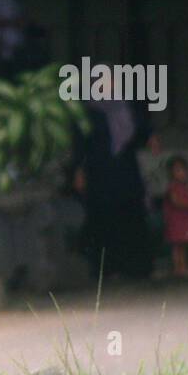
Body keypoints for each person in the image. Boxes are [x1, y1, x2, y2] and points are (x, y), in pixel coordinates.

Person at [72, 73, 158, 281]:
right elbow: (80, 144)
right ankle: (106, 269)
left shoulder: (126, 106)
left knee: (132, 215)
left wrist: (152, 137)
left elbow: (142, 129)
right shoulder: (88, 111)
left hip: (126, 169)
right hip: (99, 172)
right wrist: (78, 170)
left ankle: (137, 268)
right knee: (103, 219)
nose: (109, 84)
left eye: (112, 80)